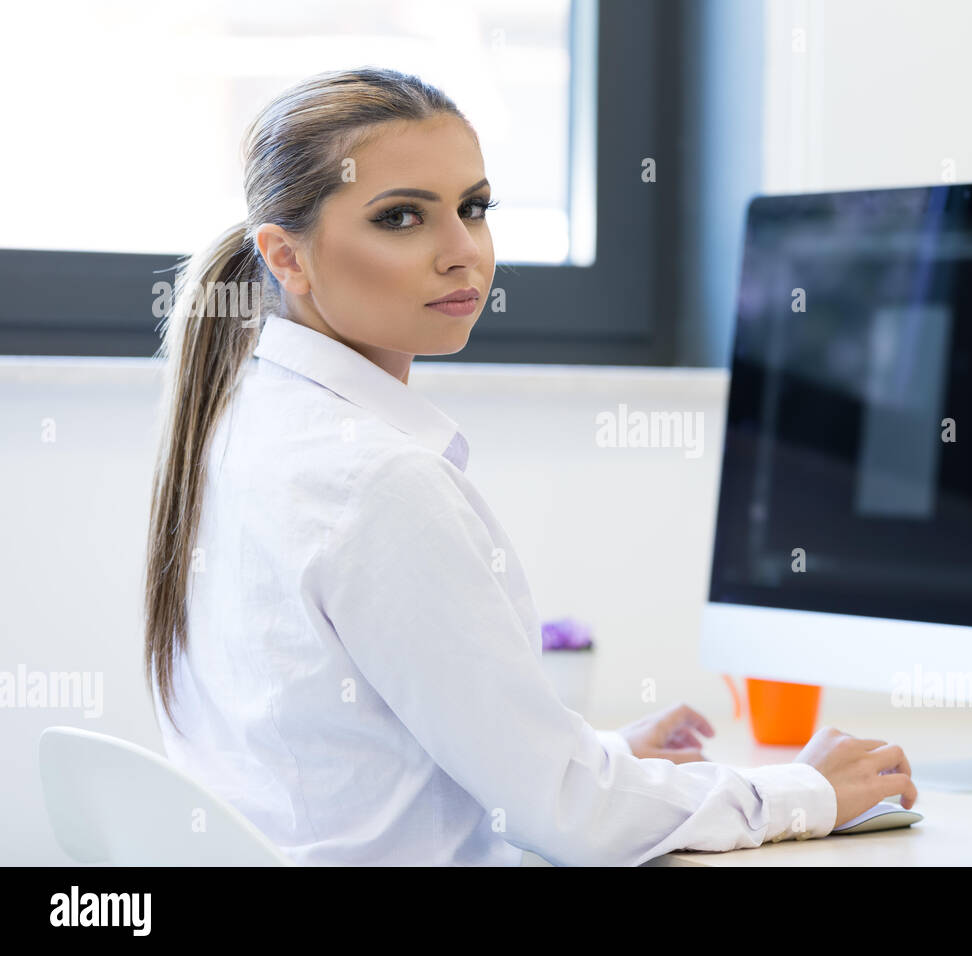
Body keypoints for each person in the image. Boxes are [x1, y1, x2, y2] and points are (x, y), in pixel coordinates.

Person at [143, 67, 916, 866]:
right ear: (286, 258)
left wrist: (589, 759)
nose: (462, 253)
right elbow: (568, 820)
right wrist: (802, 794)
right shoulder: (375, 482)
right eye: (401, 217)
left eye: (473, 209)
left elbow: (371, 760)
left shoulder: (244, 429)